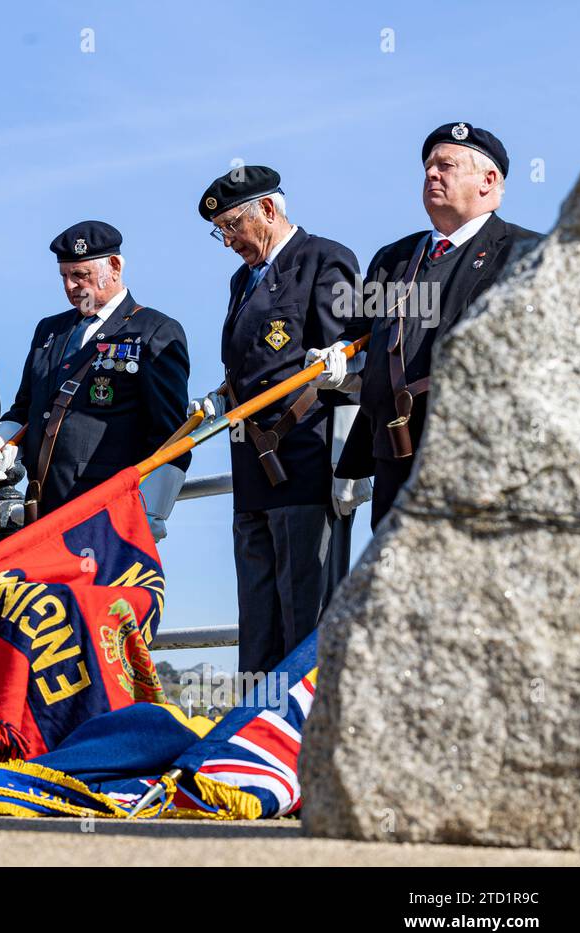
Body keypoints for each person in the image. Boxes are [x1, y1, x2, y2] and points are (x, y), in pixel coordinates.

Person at [310, 122, 543, 528]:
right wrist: (342, 366)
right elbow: (360, 341)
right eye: (428, 168)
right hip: (395, 458)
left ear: (489, 181)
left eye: (446, 166)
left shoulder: (528, 254)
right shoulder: (394, 258)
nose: (431, 174)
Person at [193, 165, 366, 675]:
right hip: (251, 467)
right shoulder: (240, 281)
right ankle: (252, 740)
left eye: (232, 227)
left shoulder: (323, 259)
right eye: (220, 231)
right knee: (258, 620)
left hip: (304, 462)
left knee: (306, 619)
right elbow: (253, 366)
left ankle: (302, 742)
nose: (227, 241)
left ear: (268, 210)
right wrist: (223, 397)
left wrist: (342, 365)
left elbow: (352, 356)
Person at [0, 220, 190, 535]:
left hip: (107, 513)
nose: (70, 287)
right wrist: (2, 436)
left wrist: (152, 510)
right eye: (64, 276)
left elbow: (170, 435)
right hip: (43, 512)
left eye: (80, 275)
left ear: (115, 266)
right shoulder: (50, 330)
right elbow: (26, 407)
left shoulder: (153, 331)